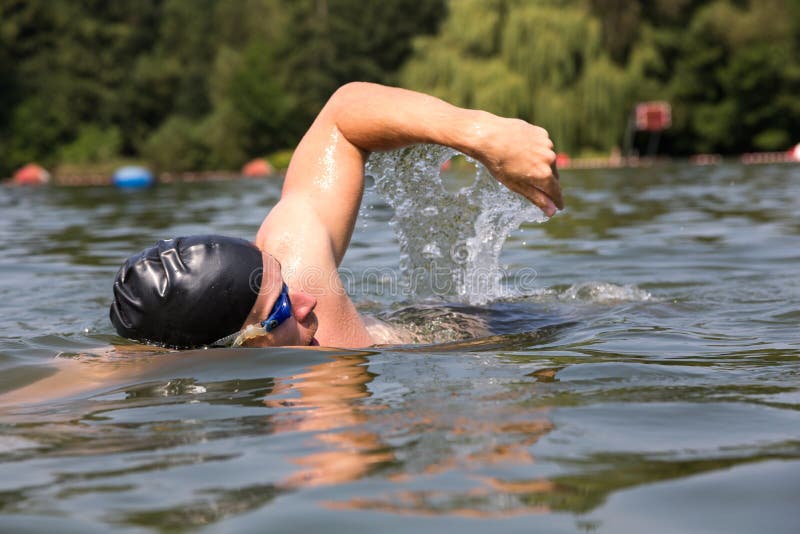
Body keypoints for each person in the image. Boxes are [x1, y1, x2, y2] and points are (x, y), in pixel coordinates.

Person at [110, 82, 563, 350]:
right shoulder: (319, 410)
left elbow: (343, 116)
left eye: (281, 280)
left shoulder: (293, 261)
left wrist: (481, 134)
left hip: (511, 319)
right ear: (239, 347)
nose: (308, 299)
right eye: (282, 308)